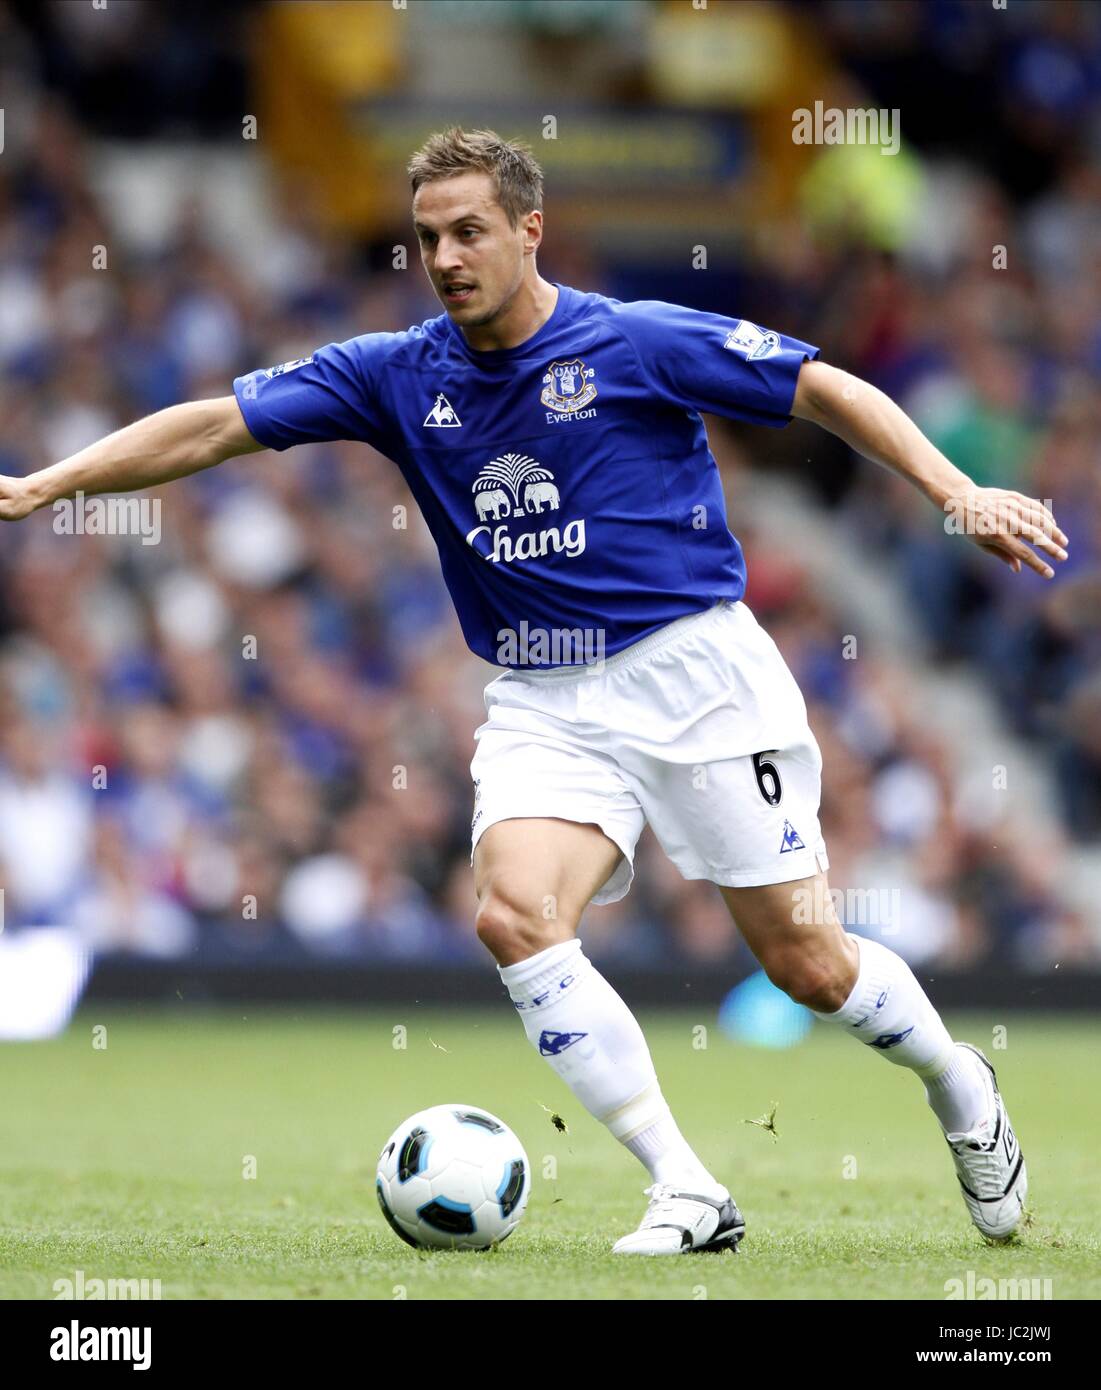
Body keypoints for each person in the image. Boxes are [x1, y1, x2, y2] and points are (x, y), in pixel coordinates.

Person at [1, 127, 1063, 1255]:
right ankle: (687, 1188)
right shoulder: (398, 372)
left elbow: (820, 386)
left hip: (694, 677)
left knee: (806, 962)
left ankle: (960, 1084)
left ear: (528, 230)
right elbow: (218, 422)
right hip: (544, 696)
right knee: (512, 912)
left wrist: (958, 491)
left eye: (469, 232)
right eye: (426, 238)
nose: (447, 258)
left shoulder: (637, 340)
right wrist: (46, 483)